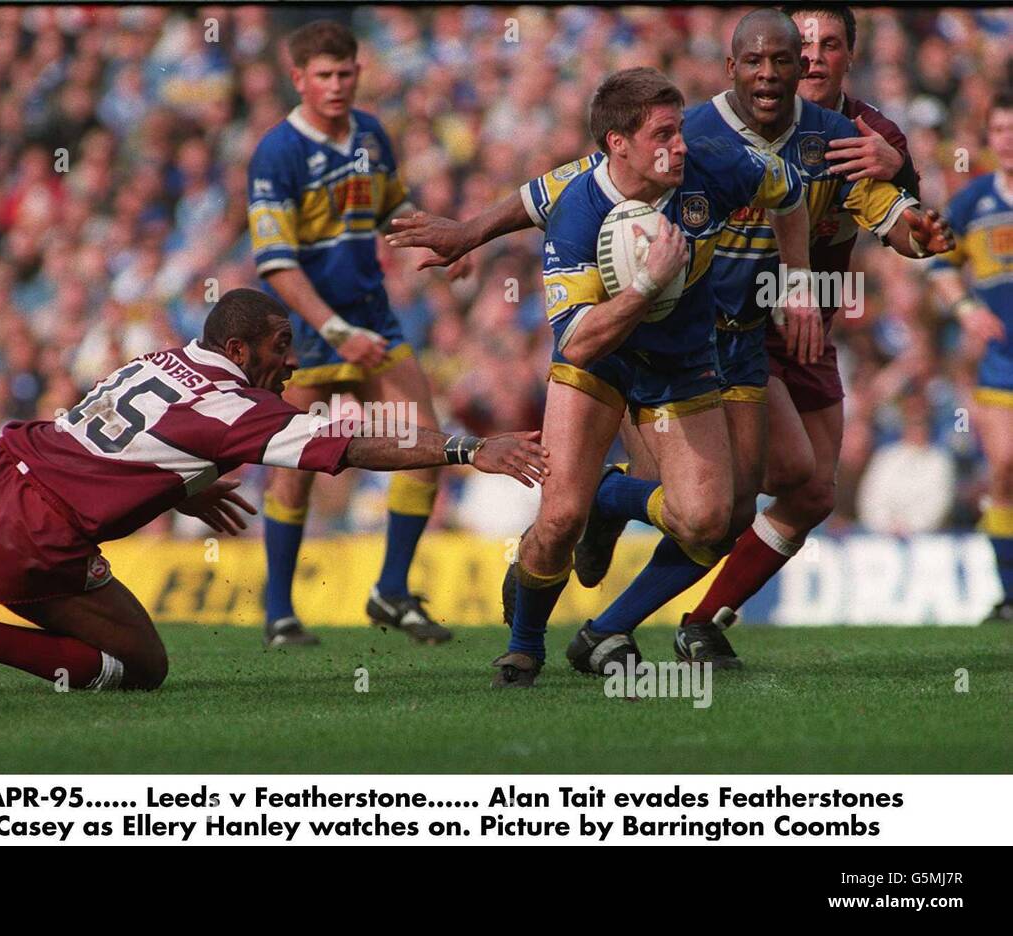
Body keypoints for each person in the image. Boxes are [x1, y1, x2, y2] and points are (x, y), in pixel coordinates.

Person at [387, 10, 951, 672]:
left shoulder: (775, 150)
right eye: (762, 58)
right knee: (576, 516)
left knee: (727, 515)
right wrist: (475, 235)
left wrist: (810, 278)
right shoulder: (623, 179)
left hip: (720, 346)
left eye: (804, 54)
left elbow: (820, 202)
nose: (779, 69)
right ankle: (532, 640)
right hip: (629, 347)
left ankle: (613, 593)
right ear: (732, 67)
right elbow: (566, 244)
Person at [0, 289, 548, 695]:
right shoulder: (232, 404)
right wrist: (470, 446)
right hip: (34, 523)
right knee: (142, 665)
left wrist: (179, 494)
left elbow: (120, 438)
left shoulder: (158, 359)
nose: (289, 363)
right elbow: (352, 443)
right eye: (281, 347)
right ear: (241, 345)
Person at [489, 65, 810, 687]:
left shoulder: (717, 166)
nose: (680, 145)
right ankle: (524, 647)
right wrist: (644, 285)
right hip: (601, 359)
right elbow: (578, 343)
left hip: (680, 364)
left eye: (681, 129)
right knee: (557, 521)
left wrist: (796, 279)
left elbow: (791, 192)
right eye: (663, 134)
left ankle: (609, 529)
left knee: (712, 522)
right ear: (619, 143)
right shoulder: (578, 211)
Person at [248, 20, 468, 648]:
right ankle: (281, 613)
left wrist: (450, 237)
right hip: (302, 335)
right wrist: (335, 330)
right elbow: (277, 264)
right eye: (324, 75)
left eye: (345, 73)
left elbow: (391, 211)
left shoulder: (371, 134)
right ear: (299, 79)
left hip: (372, 317)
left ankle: (391, 591)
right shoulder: (277, 153)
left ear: (358, 73)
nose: (337, 85)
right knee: (295, 466)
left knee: (426, 444)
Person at [929, 88, 1013, 624]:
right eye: (1000, 131)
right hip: (1001, 363)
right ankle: (1008, 593)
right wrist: (964, 310)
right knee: (1005, 466)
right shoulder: (973, 201)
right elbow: (938, 261)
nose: (1008, 141)